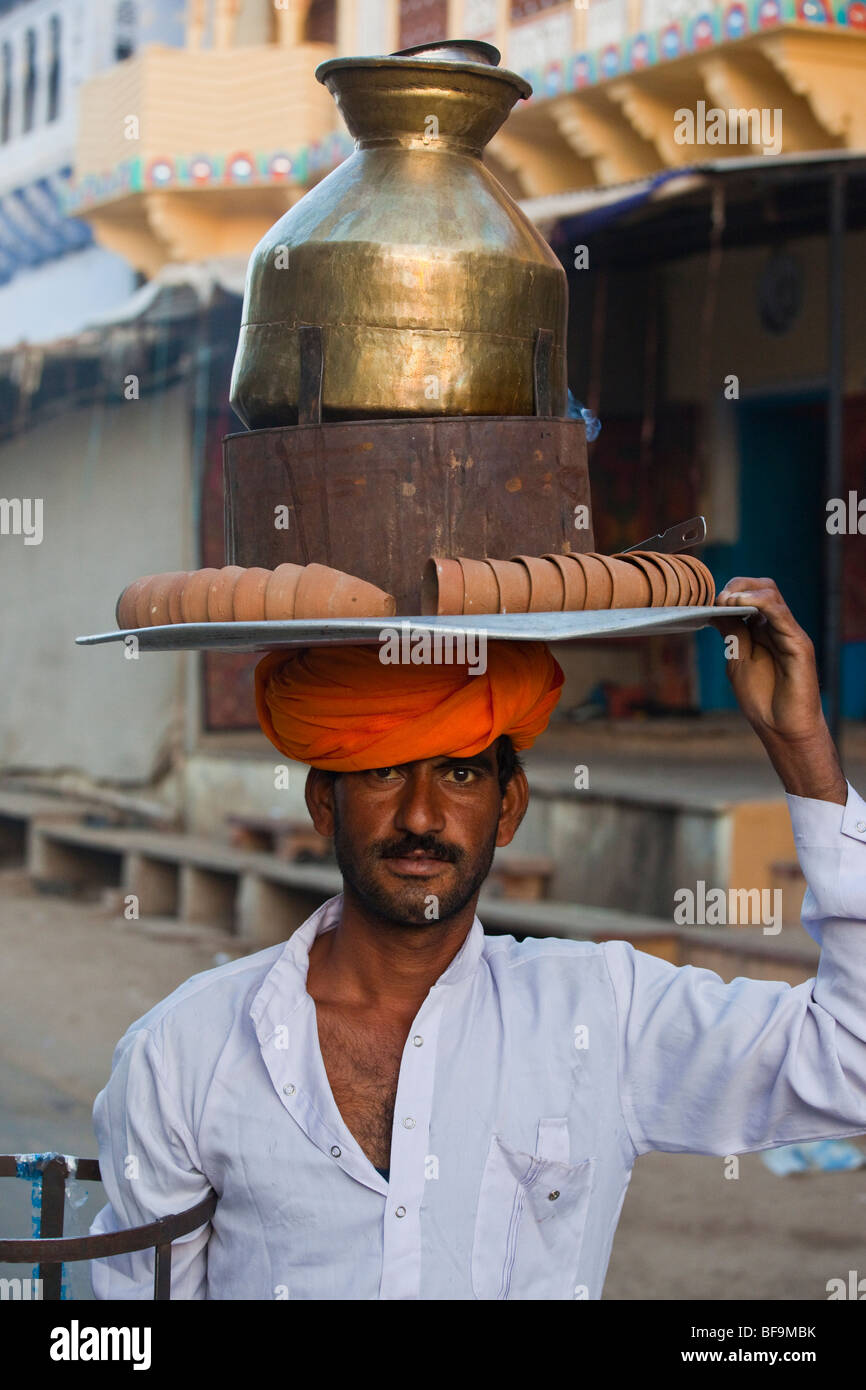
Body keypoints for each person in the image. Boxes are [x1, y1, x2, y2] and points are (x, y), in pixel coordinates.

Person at [89, 578, 866, 1300]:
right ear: (325, 803)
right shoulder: (183, 1051)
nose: (422, 817)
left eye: (460, 775)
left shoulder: (603, 1012)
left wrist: (800, 747)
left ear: (508, 807)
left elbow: (849, 1059)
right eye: (384, 772)